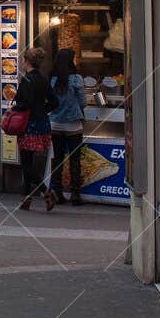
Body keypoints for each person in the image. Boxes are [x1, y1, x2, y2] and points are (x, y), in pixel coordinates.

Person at [14, 46, 58, 212]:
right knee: (30, 162)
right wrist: (43, 110)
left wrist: (14, 111)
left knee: (26, 163)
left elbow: (22, 103)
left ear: (27, 61)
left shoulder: (27, 80)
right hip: (42, 124)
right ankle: (27, 198)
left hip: (28, 124)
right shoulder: (43, 79)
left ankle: (46, 192)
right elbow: (55, 102)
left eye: (23, 60)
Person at [49, 47, 86, 205]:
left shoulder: (52, 79)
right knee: (74, 159)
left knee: (57, 159)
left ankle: (57, 194)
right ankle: (75, 195)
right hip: (73, 125)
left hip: (55, 124)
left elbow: (50, 101)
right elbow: (83, 101)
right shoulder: (76, 78)